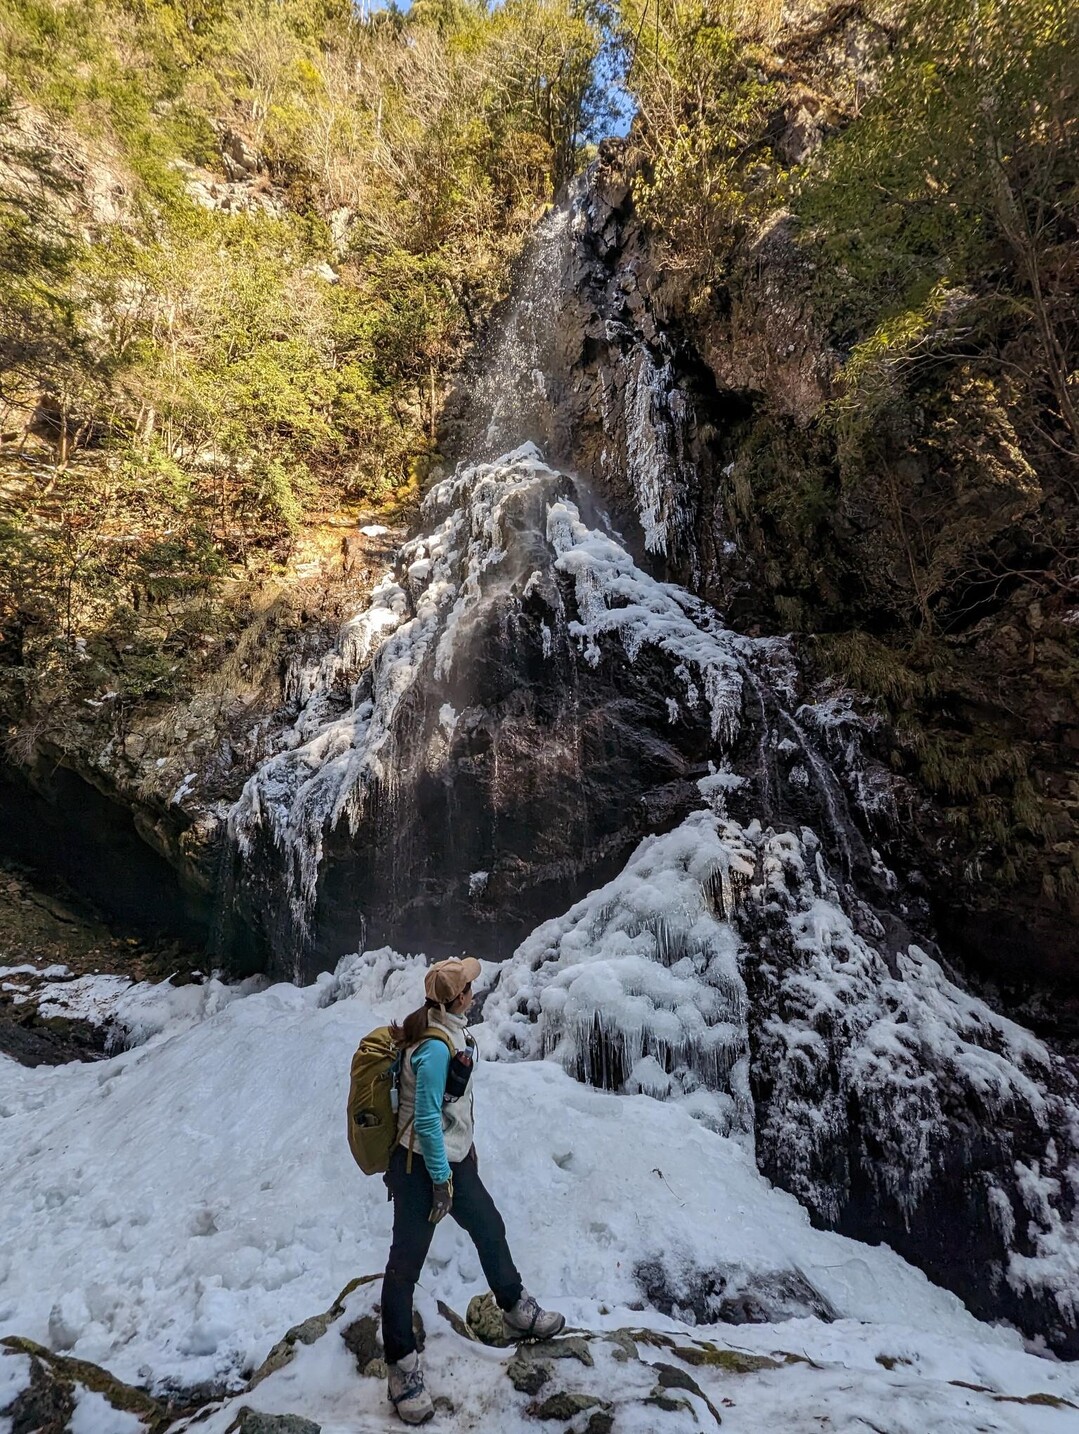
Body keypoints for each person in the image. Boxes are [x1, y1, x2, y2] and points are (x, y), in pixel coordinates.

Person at [382, 955, 565, 1425]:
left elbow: (449, 1108)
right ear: (456, 998)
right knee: (405, 1267)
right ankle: (401, 1369)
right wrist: (442, 1180)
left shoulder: (451, 1030)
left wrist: (466, 1154)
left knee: (489, 1225)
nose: (475, 991)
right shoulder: (435, 1048)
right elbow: (424, 1119)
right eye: (469, 988)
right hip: (419, 1168)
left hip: (449, 1161)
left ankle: (514, 1308)